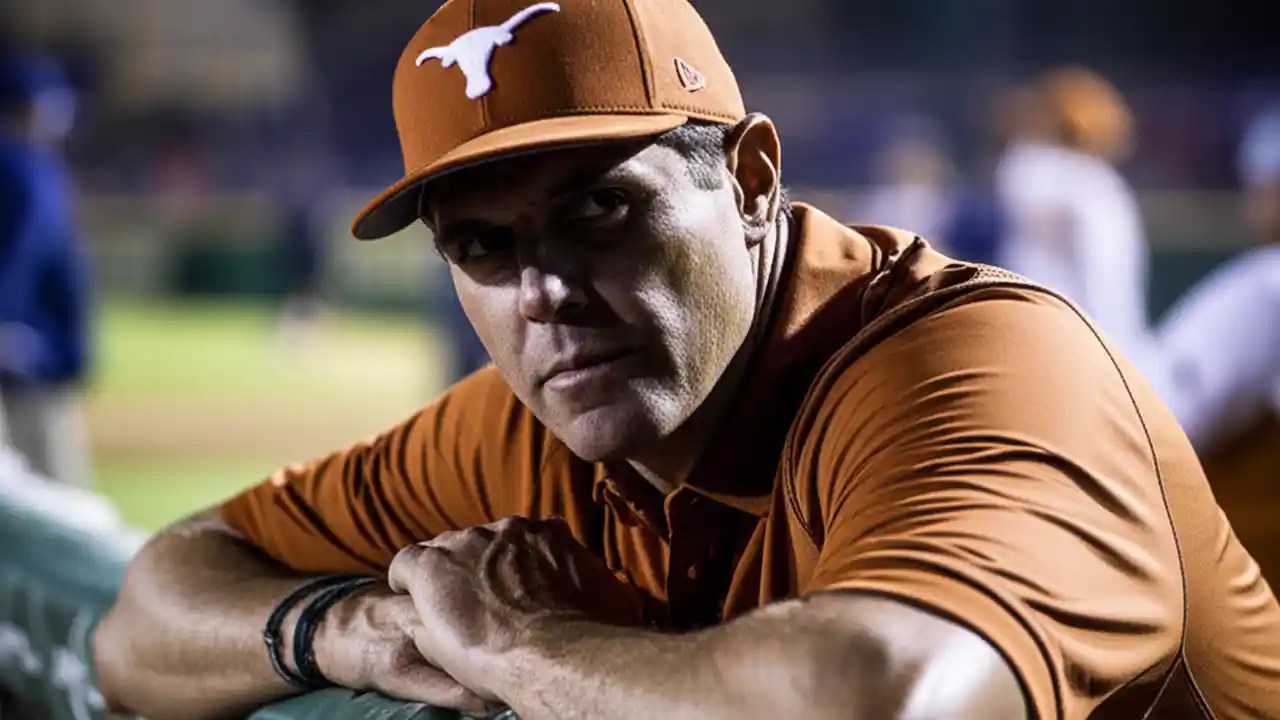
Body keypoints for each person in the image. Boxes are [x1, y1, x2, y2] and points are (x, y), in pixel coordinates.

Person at [93, 3, 1280, 719]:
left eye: (600, 210)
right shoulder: (535, 417)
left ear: (752, 180)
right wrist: (349, 631)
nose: (543, 292)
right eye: (482, 246)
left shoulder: (972, 365)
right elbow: (144, 617)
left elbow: (885, 698)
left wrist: (516, 645)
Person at [0, 54, 93, 488]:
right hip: (28, 360)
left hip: (32, 355)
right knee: (57, 506)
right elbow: (18, 259)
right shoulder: (24, 171)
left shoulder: (30, 169)